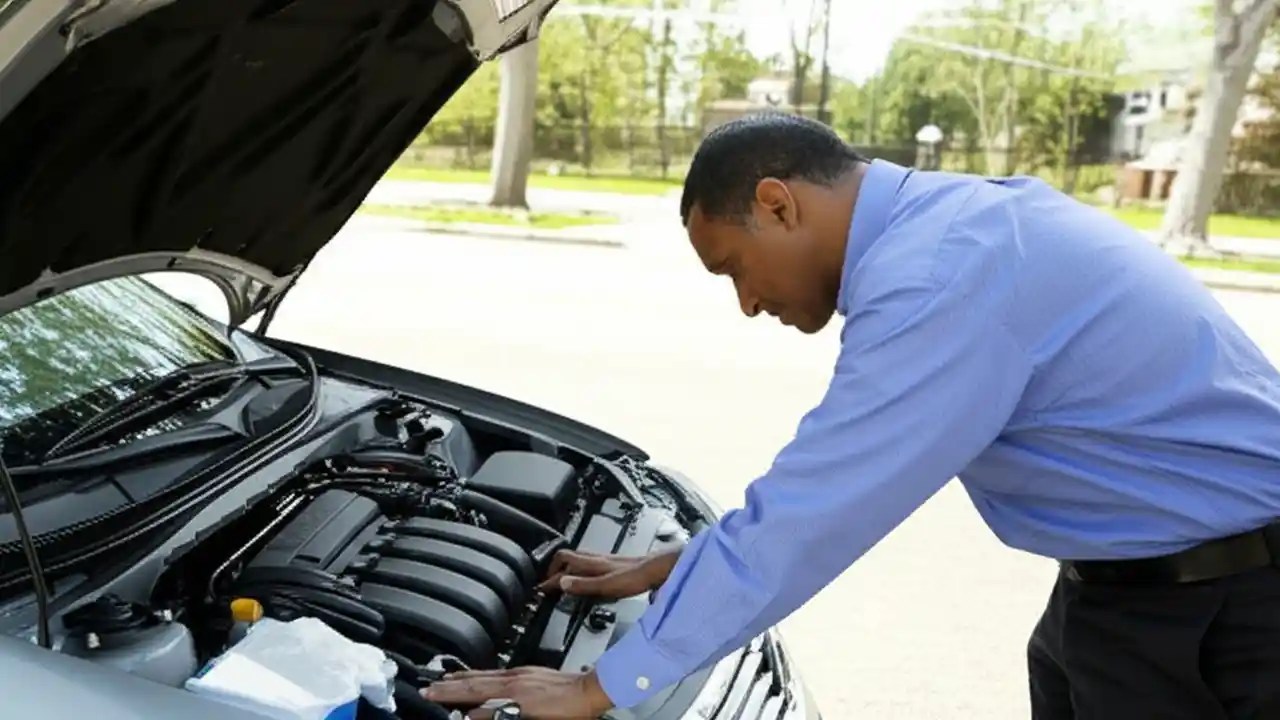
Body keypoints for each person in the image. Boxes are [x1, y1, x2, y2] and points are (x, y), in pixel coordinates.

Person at [421, 113, 1280, 719]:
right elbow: (848, 489)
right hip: (1121, 591)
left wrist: (599, 687)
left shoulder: (941, 274)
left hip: (1217, 615)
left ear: (779, 204)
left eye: (734, 269)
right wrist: (694, 565)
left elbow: (823, 503)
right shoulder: (955, 223)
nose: (748, 304)